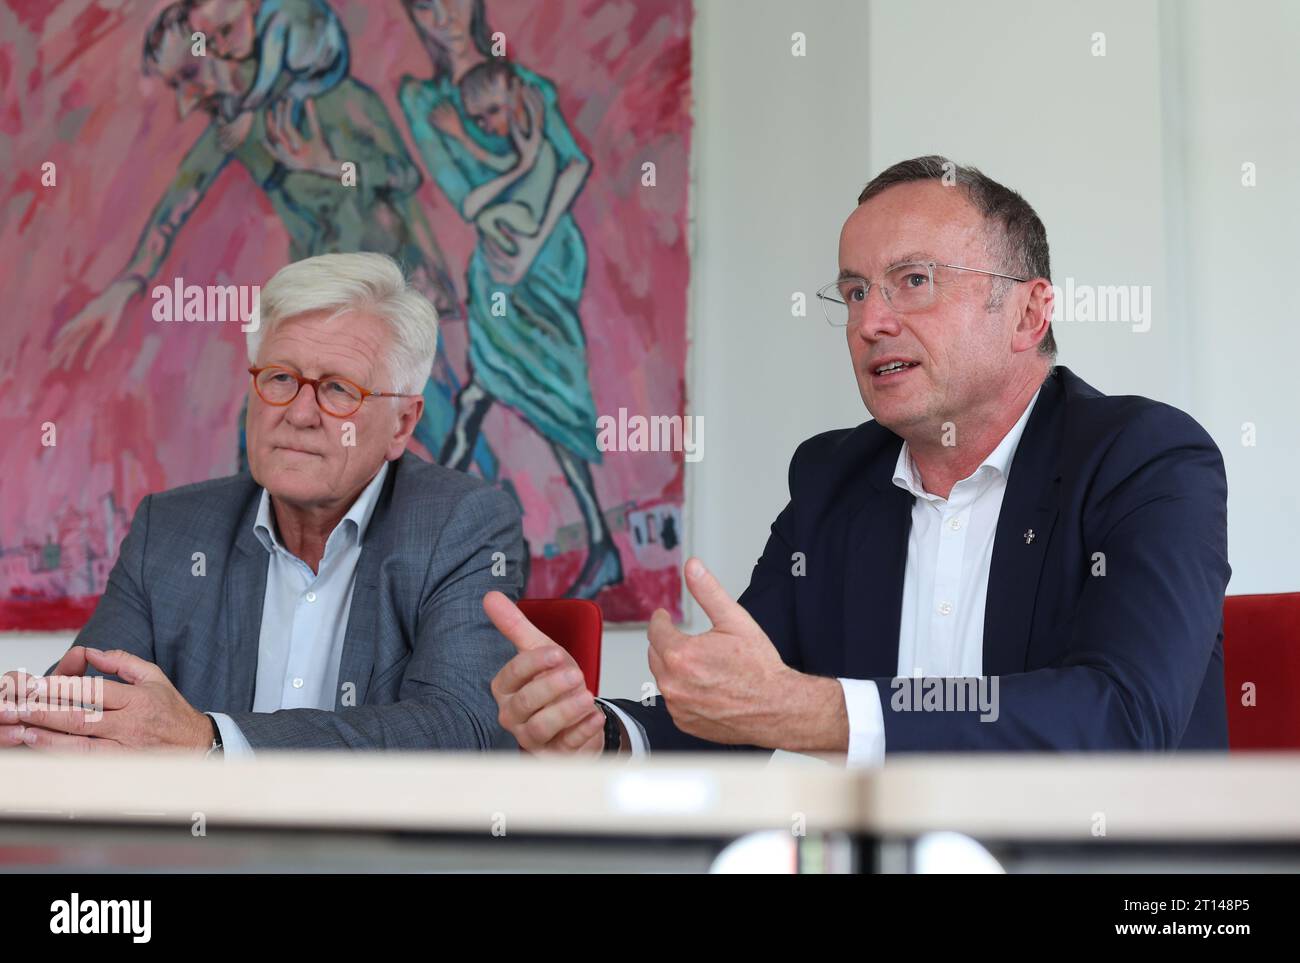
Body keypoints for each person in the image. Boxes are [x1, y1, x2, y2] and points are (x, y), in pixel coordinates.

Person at [485, 156, 1232, 760]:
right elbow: (747, 696)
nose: (871, 321)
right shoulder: (834, 479)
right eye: (853, 291)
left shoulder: (1145, 459)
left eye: (914, 281)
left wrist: (826, 711)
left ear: (1029, 312)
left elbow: (1122, 717)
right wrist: (608, 733)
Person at [1, 253, 522, 753]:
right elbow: (93, 702)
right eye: (280, 378)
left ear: (402, 424)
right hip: (190, 844)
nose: (298, 415)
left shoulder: (462, 525)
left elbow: (459, 726)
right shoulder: (171, 530)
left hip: (377, 843)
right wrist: (39, 717)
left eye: (338, 389)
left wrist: (211, 742)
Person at [399, 0, 623, 599]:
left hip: (544, 260)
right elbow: (462, 196)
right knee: (486, 385)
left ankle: (599, 543)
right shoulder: (426, 104)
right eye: (423, 6)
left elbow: (572, 164)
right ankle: (417, 525)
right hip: (496, 269)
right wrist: (521, 165)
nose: (440, 16)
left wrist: (530, 249)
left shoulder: (528, 88)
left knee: (539, 391)